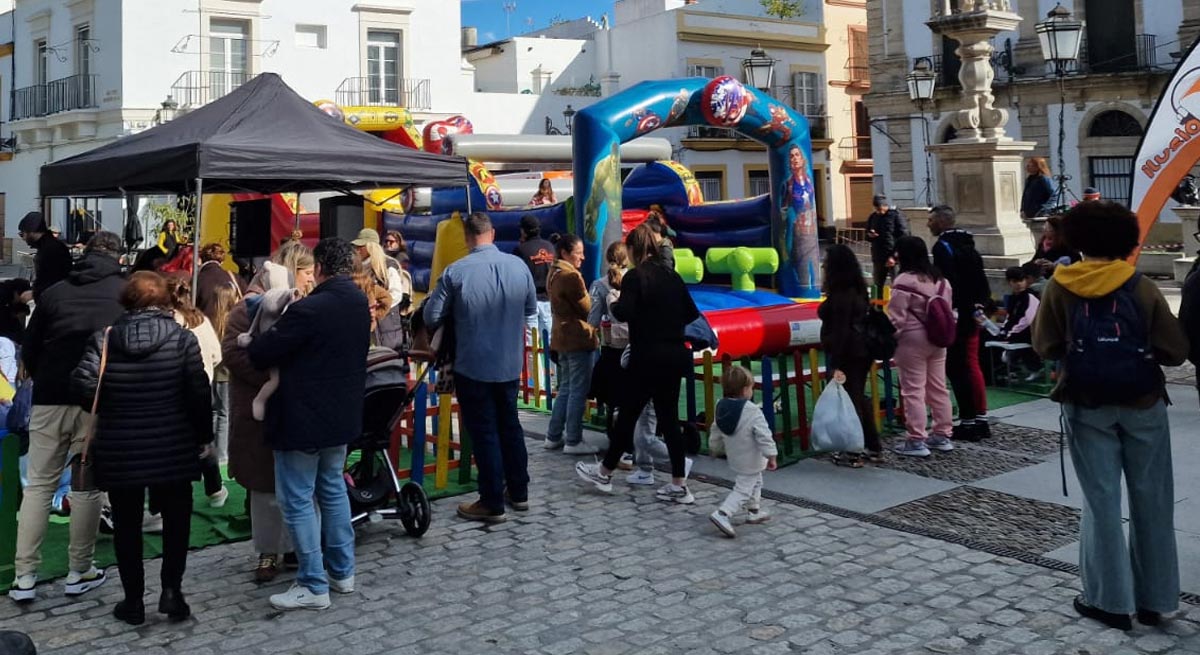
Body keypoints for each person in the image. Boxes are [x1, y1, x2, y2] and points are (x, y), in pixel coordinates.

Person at [1032, 201, 1188, 631]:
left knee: (1101, 503)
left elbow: (1044, 345)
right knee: (1153, 501)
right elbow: (1175, 351)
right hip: (1143, 402)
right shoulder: (1140, 286)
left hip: (1085, 403)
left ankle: (1110, 601)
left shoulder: (1060, 286)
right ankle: (1159, 601)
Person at [71, 271, 213, 625]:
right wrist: (202, 436)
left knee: (127, 524)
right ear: (165, 300)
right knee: (177, 521)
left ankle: (133, 600)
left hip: (121, 444)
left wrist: (114, 404)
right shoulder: (182, 339)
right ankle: (172, 592)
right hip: (173, 442)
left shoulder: (105, 339)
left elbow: (84, 384)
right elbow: (199, 393)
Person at [248, 238, 370, 611]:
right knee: (332, 490)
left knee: (298, 499)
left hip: (303, 417)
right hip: (341, 414)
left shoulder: (310, 309)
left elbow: (260, 352)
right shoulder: (358, 300)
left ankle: (313, 583)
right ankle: (341, 572)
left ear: (318, 269)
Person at [9, 232, 125, 604]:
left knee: (39, 485)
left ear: (85, 254)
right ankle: (80, 569)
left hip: (49, 396)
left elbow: (29, 346)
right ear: (118, 257)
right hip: (95, 401)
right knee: (86, 485)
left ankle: (24, 575)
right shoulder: (124, 292)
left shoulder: (55, 292)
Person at [575, 224, 700, 503]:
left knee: (628, 415)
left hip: (647, 356)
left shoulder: (635, 276)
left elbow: (624, 313)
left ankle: (605, 472)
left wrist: (612, 302)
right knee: (668, 419)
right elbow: (691, 313)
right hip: (674, 354)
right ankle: (679, 484)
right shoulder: (672, 275)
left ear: (633, 249)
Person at [426, 212, 537, 522]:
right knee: (510, 426)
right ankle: (519, 491)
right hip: (509, 362)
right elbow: (530, 309)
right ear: (491, 233)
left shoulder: (455, 272)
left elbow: (432, 316)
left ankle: (491, 500)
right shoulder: (518, 266)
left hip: (473, 363)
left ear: (466, 236)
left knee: (484, 431)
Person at [222, 241, 313, 583]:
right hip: (256, 412)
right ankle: (267, 552)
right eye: (305, 272)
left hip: (294, 407)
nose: (309, 279)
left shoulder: (304, 305)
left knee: (297, 484)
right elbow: (233, 353)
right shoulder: (244, 310)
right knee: (264, 489)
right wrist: (273, 374)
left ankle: (294, 548)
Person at [929, 205, 992, 441]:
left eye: (931, 220)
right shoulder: (969, 244)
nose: (929, 224)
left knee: (956, 368)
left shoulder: (942, 247)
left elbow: (946, 283)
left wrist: (948, 311)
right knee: (972, 365)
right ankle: (980, 419)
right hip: (973, 309)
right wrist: (979, 303)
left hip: (957, 313)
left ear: (942, 222)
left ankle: (967, 421)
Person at [888, 236, 955, 457]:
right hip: (938, 338)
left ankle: (917, 439)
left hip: (912, 340)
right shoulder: (941, 280)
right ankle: (943, 434)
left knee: (913, 390)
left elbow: (897, 317)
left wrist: (889, 339)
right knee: (938, 387)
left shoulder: (904, 281)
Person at [166, 277, 228, 508]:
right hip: (202, 386)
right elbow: (217, 354)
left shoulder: (168, 321)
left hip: (173, 388)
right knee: (203, 440)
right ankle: (214, 490)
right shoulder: (200, 319)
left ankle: (174, 494)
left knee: (174, 441)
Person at [818, 244, 882, 466]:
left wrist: (836, 359)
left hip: (847, 353)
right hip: (860, 351)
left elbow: (841, 330)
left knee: (850, 400)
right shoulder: (855, 290)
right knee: (858, 396)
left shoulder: (842, 295)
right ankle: (871, 445)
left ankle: (853, 449)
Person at [707, 365, 777, 537]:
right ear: (745, 389)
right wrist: (772, 455)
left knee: (755, 481)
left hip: (735, 456)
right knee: (743, 488)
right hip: (752, 458)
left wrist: (714, 447)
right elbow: (764, 435)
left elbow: (715, 429)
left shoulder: (721, 406)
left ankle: (754, 510)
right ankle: (723, 513)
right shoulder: (752, 411)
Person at [544, 234, 598, 454]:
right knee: (577, 389)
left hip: (561, 337)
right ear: (566, 253)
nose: (582, 257)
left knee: (566, 388)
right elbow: (588, 308)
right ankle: (574, 439)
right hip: (577, 337)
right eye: (579, 252)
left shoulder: (553, 272)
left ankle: (553, 435)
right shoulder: (571, 277)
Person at [513, 215, 555, 347]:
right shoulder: (549, 247)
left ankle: (535, 369)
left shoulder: (520, 250)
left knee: (532, 344)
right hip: (549, 299)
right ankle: (554, 368)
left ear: (523, 231)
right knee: (550, 340)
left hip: (531, 301)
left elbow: (517, 277)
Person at [19, 212, 72, 303]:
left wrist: (34, 293)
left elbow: (53, 280)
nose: (23, 238)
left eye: (22, 234)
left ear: (31, 232)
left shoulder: (49, 249)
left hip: (55, 302)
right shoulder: (48, 246)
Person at [864, 195, 909, 295]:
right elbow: (866, 235)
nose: (879, 212)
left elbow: (904, 236)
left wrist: (894, 256)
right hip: (878, 256)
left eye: (880, 209)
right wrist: (870, 235)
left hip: (894, 256)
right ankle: (876, 307)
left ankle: (898, 305)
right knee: (877, 284)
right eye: (876, 209)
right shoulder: (873, 217)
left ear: (885, 206)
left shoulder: (896, 216)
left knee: (898, 283)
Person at [195, 242, 244, 319]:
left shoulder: (197, 280)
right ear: (222, 261)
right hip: (230, 325)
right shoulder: (234, 277)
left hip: (206, 326)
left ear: (201, 259)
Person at [1027, 215, 1081, 279]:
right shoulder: (1042, 244)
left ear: (1056, 230)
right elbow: (1033, 260)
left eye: (1048, 227)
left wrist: (1053, 265)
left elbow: (1075, 264)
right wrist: (1036, 262)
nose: (1044, 228)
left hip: (1058, 278)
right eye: (1045, 226)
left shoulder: (1067, 246)